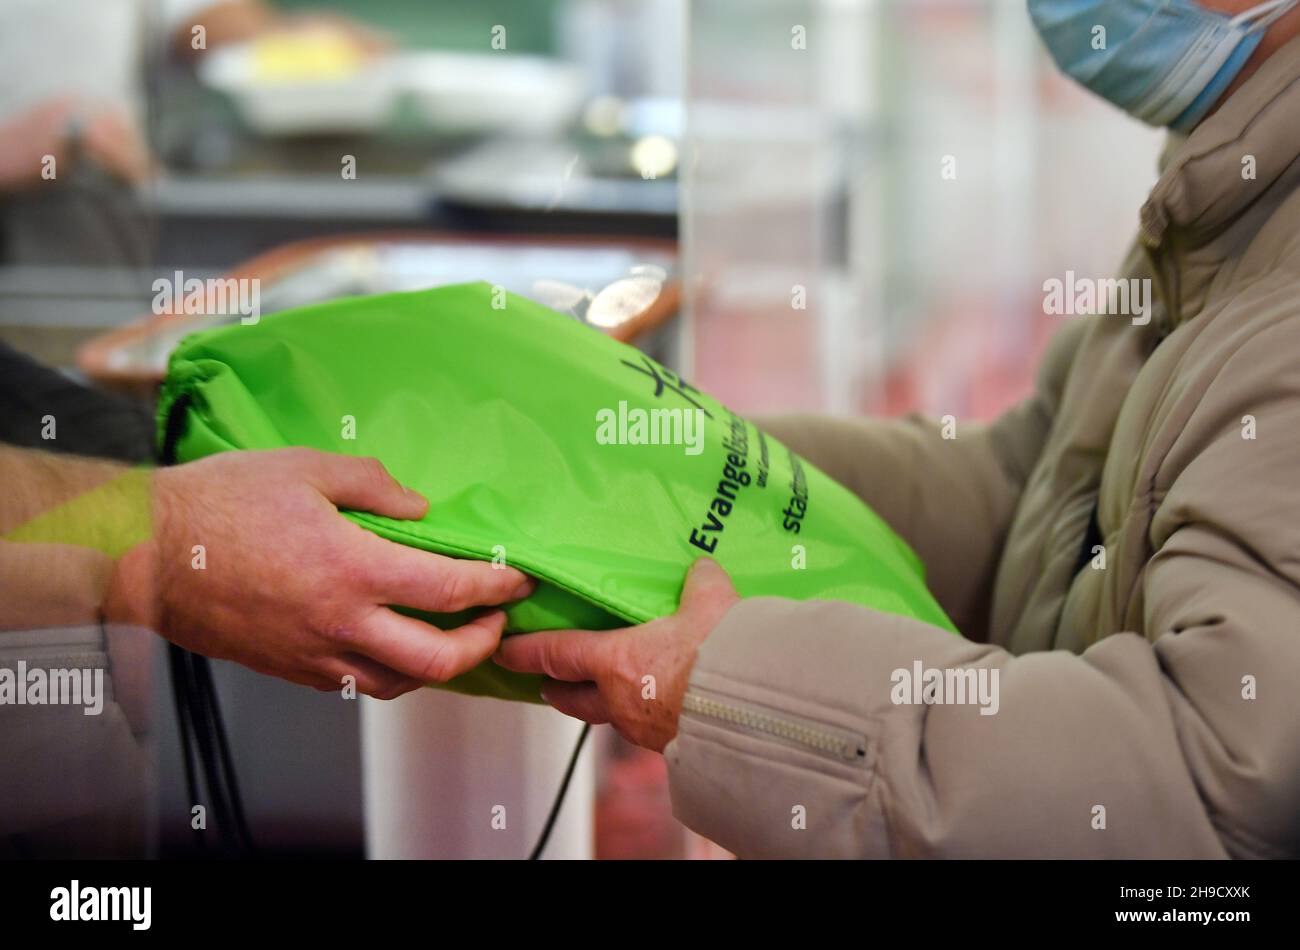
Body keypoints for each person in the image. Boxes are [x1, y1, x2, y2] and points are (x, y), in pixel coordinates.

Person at [496, 0, 1300, 858]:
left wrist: (734, 691)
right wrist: (699, 464)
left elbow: (1214, 790)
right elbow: (1042, 502)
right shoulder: (1232, 201)